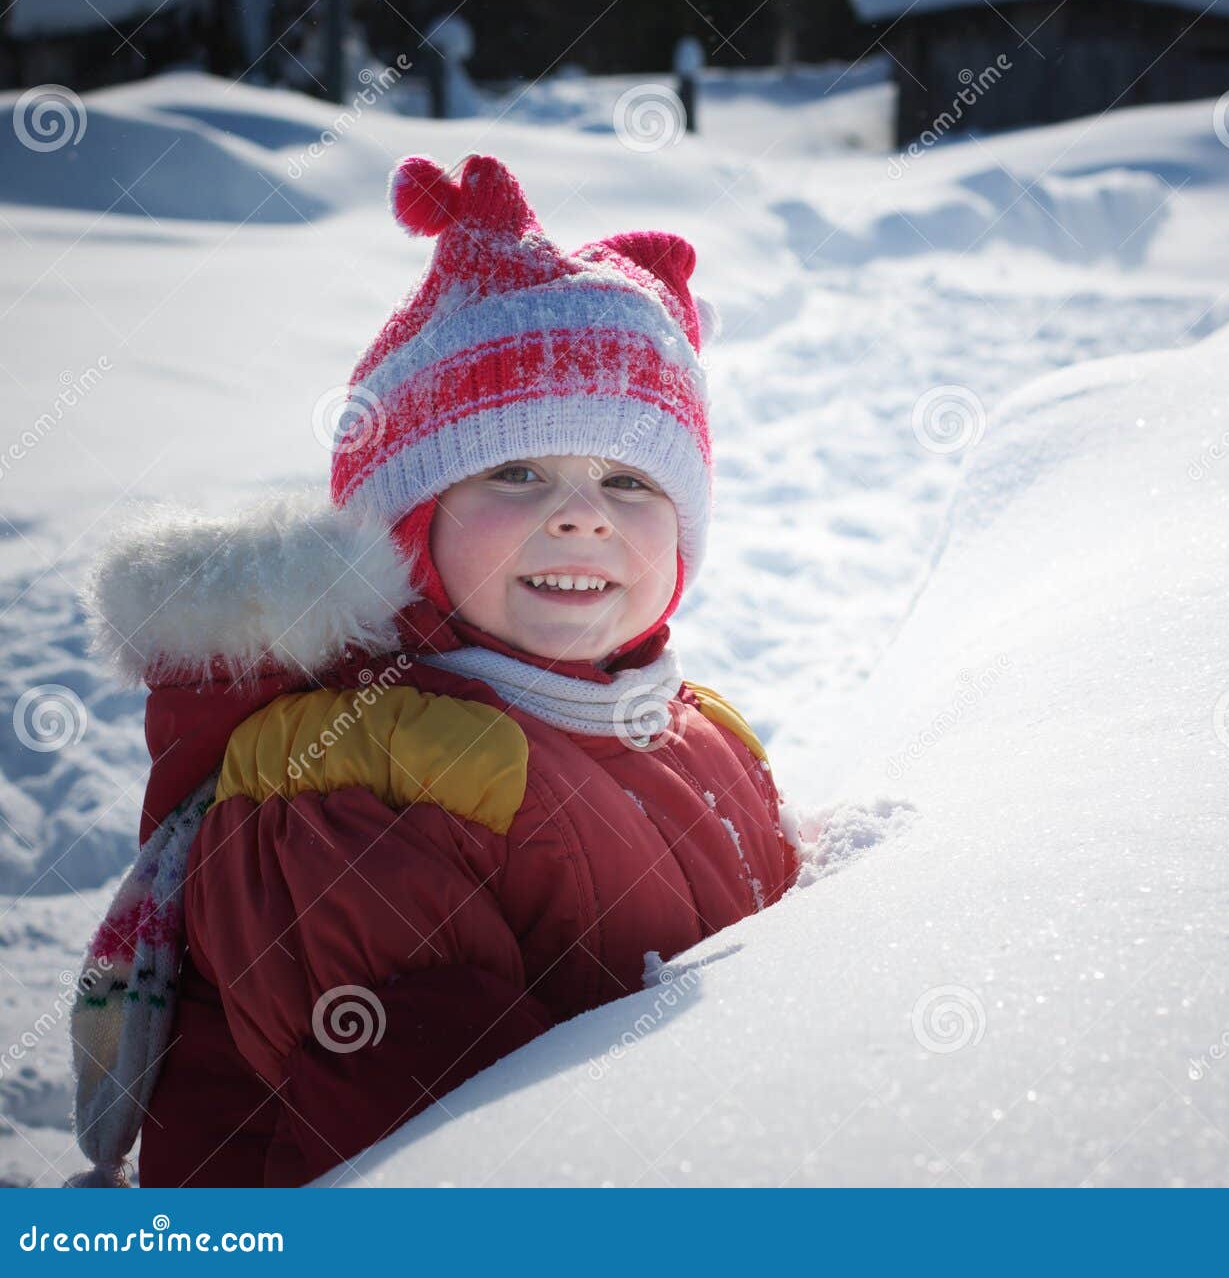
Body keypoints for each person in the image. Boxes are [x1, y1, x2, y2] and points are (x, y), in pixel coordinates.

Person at [66, 152, 800, 1188]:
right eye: (516, 469)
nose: (581, 513)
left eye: (631, 479)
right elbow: (455, 1159)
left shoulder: (691, 724)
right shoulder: (351, 780)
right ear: (407, 526)